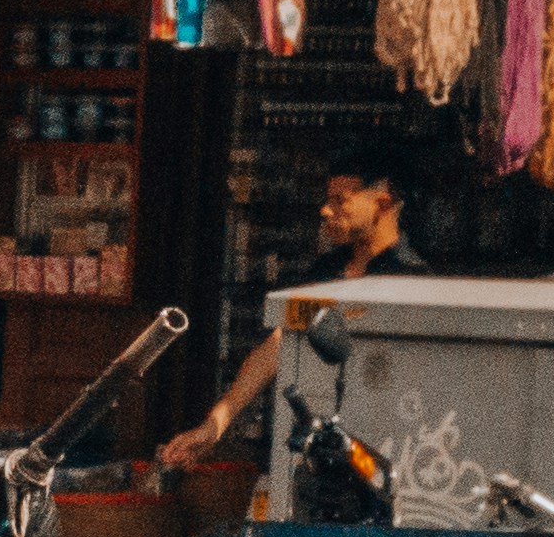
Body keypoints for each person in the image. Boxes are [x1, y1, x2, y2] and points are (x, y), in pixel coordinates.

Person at [158, 158, 431, 477]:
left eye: (339, 201)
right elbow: (275, 346)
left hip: (382, 451)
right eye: (327, 200)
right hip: (312, 448)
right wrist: (215, 424)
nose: (326, 211)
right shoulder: (324, 273)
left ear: (381, 203)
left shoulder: (412, 281)